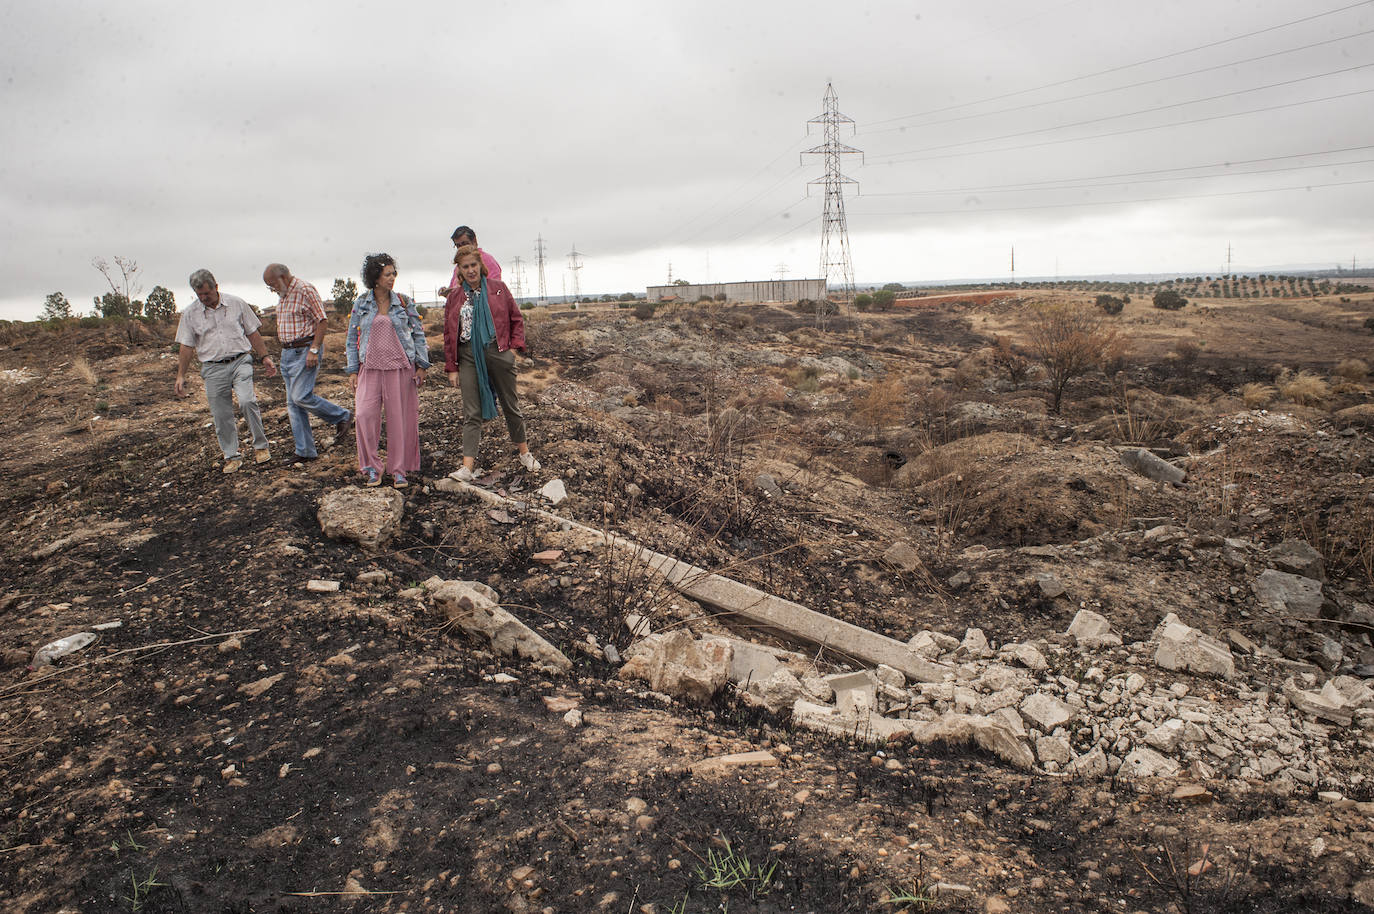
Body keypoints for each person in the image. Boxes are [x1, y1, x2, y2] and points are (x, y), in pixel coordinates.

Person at [444, 243, 539, 481]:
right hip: (467, 356)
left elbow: (516, 318)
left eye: (474, 265)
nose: (471, 270)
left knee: (510, 404)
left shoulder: (498, 288)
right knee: (471, 411)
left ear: (481, 265)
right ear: (460, 270)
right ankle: (467, 467)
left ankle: (524, 453)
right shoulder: (455, 297)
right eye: (465, 267)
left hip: (498, 351)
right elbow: (449, 334)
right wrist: (452, 368)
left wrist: (513, 350)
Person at [174, 269, 278, 473]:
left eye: (207, 293)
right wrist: (181, 375)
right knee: (221, 414)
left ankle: (261, 447)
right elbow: (186, 346)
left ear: (216, 287)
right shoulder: (190, 314)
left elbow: (253, 333)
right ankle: (232, 455)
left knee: (248, 401)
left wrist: (265, 357)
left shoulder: (237, 303)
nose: (204, 298)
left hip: (240, 361)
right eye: (199, 295)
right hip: (212, 368)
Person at [345, 253, 429, 488]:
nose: (392, 278)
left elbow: (418, 334)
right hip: (369, 368)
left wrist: (422, 365)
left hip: (400, 368)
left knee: (400, 420)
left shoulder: (404, 302)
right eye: (387, 274)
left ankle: (399, 470)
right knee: (364, 416)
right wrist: (353, 370)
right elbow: (352, 338)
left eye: (394, 273)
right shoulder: (361, 303)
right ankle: (372, 467)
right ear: (375, 277)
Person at [263, 263, 352, 465]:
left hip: (304, 350)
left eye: (272, 285)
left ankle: (341, 416)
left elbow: (322, 320)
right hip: (287, 352)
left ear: (282, 278)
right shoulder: (283, 294)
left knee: (300, 396)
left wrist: (314, 349)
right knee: (293, 404)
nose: (272, 289)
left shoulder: (304, 289)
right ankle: (305, 451)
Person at [437, 224, 501, 301]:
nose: (462, 248)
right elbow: (453, 294)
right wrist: (447, 292)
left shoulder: (488, 261)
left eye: (464, 244)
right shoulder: (458, 266)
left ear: (474, 242)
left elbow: (495, 291)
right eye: (458, 246)